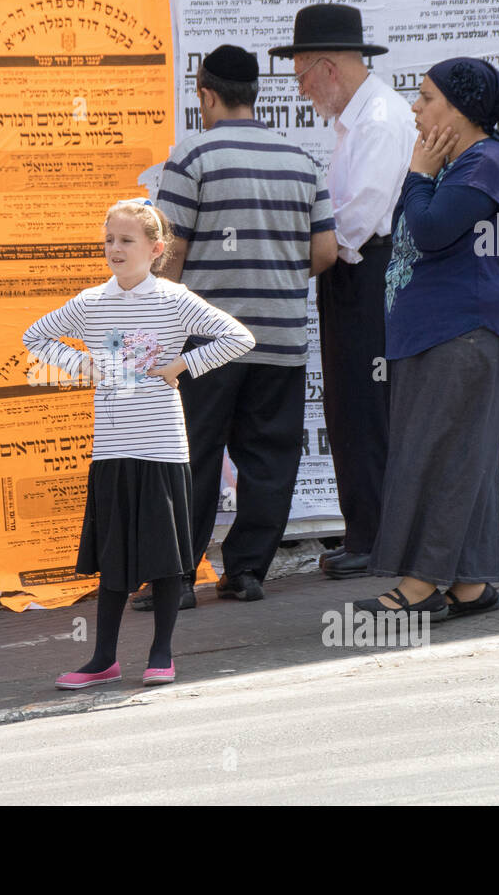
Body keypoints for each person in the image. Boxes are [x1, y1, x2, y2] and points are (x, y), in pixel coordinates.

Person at [22, 200, 254, 689]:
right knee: (113, 555)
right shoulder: (90, 302)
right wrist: (85, 368)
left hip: (162, 447)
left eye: (126, 241)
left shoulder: (173, 299)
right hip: (111, 447)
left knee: (165, 555)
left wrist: (179, 367)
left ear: (156, 248)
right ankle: (103, 658)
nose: (115, 249)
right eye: (109, 240)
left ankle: (161, 653)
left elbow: (238, 337)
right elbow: (36, 336)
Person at [147, 44, 336, 609]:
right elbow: (325, 251)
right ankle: (248, 571)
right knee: (269, 457)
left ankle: (178, 579)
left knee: (191, 453)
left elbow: (168, 256)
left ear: (205, 94)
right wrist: (273, 271)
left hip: (208, 341)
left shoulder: (192, 157)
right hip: (279, 338)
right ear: (255, 93)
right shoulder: (302, 161)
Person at [352, 58, 499, 618]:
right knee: (461, 458)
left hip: (463, 336)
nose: (414, 107)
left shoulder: (484, 163)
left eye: (426, 97)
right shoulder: (467, 164)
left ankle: (421, 586)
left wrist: (418, 173)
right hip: (444, 335)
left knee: (439, 458)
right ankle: (470, 584)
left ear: (459, 109)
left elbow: (427, 232)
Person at [269, 4, 416, 579]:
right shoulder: (361, 118)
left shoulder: (378, 119)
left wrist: (291, 265)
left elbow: (354, 221)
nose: (302, 91)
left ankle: (378, 537)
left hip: (366, 271)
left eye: (302, 77)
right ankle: (367, 531)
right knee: (350, 405)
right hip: (352, 272)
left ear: (327, 67)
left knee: (365, 407)